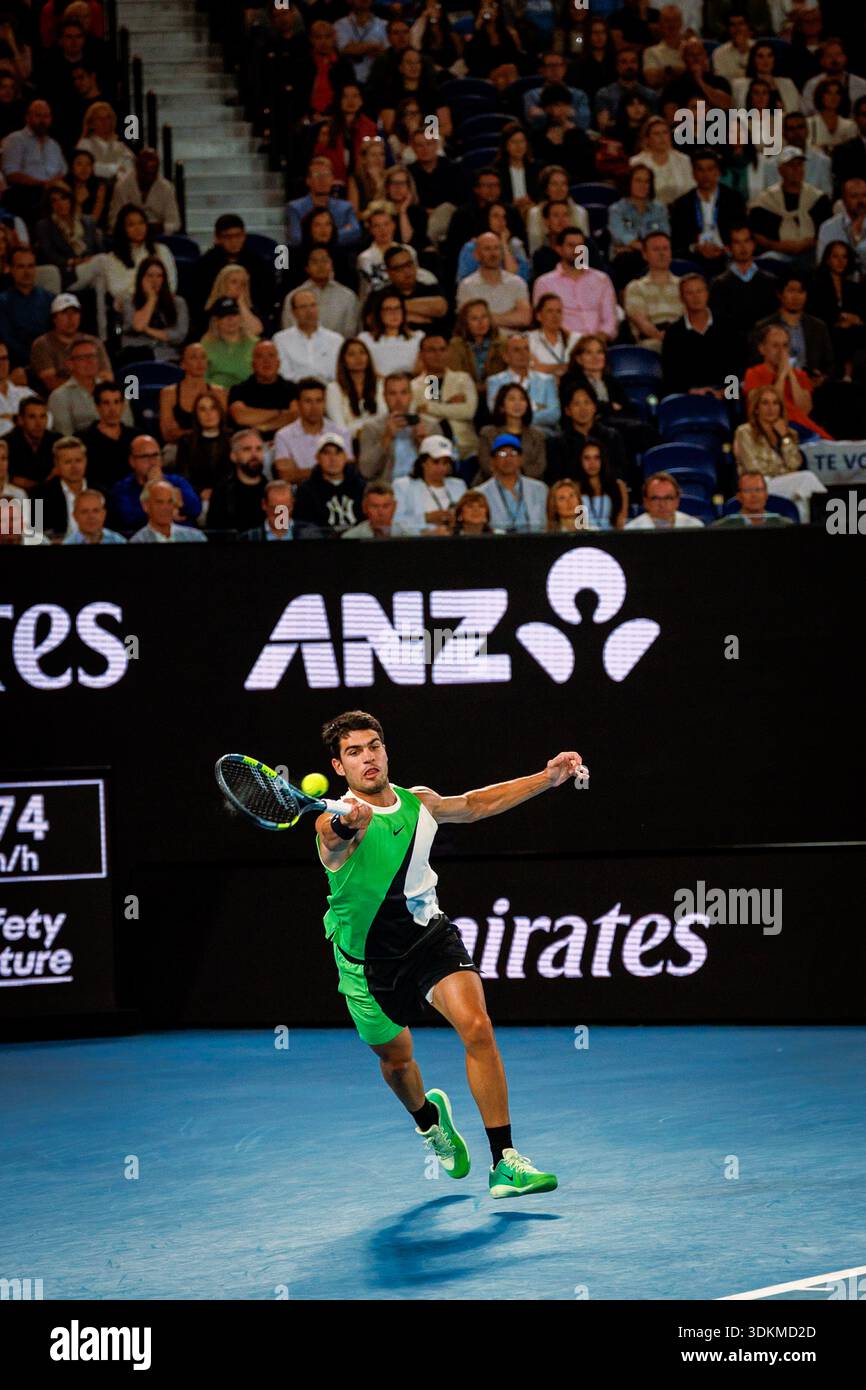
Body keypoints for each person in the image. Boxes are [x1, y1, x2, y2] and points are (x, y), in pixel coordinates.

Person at [313, 706, 579, 1193]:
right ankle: (429, 1120)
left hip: (428, 938)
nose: (368, 758)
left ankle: (505, 1160)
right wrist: (350, 823)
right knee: (396, 1060)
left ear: (385, 750)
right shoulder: (332, 821)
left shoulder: (420, 803)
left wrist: (547, 778)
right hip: (367, 964)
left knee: (477, 1026)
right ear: (339, 767)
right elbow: (334, 841)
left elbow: (476, 804)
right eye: (354, 752)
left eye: (374, 746)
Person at [190, 214, 277, 335]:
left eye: (238, 236)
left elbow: (266, 298)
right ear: (218, 238)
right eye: (228, 237)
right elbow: (198, 303)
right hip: (213, 318)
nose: (234, 241)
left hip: (251, 315)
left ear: (244, 236)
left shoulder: (257, 263)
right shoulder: (204, 266)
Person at [742, 323, 831, 437]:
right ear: (762, 349)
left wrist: (791, 374)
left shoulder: (800, 375)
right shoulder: (753, 374)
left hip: (804, 429)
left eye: (785, 346)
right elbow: (771, 411)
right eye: (775, 345)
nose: (781, 351)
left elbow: (805, 410)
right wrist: (782, 375)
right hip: (774, 431)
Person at [748, 146, 832, 266]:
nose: (796, 169)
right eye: (791, 165)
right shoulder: (766, 200)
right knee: (765, 261)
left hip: (811, 253)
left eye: (800, 165)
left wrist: (808, 244)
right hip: (777, 254)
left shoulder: (818, 198)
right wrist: (776, 246)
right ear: (780, 170)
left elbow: (826, 229)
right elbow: (756, 232)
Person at [531, 228, 618, 339]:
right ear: (559, 249)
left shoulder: (601, 279)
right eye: (571, 246)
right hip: (564, 344)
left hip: (599, 345)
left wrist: (598, 340)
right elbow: (546, 321)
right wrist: (575, 342)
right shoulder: (544, 283)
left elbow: (610, 319)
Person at [661, 274, 741, 395]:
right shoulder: (674, 333)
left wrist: (726, 392)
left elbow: (738, 365)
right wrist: (691, 391)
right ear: (682, 298)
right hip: (688, 396)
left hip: (726, 394)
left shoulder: (727, 326)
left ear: (707, 293)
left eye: (699, 291)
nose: (696, 297)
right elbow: (670, 374)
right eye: (689, 293)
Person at [107, 434, 201, 534]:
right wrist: (170, 511)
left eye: (156, 455)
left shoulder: (177, 481)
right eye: (145, 456)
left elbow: (195, 509)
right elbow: (129, 518)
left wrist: (163, 484)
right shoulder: (122, 488)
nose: (152, 462)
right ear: (132, 461)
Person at [670, 152, 746, 274]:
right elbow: (677, 241)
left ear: (718, 172)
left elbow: (742, 231)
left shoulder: (733, 199)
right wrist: (695, 248)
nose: (706, 175)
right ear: (693, 174)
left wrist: (728, 248)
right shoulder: (682, 204)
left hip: (726, 253)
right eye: (700, 170)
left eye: (710, 169)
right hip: (695, 255)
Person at [753, 273, 835, 383]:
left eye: (801, 292)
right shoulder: (763, 326)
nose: (796, 297)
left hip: (811, 387)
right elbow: (755, 362)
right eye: (791, 291)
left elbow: (830, 365)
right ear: (780, 294)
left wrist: (822, 378)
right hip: (773, 388)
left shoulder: (818, 327)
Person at [409, 333, 478, 461]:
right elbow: (421, 419)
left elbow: (468, 411)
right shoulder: (415, 385)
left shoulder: (462, 379)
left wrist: (428, 407)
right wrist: (450, 406)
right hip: (431, 452)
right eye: (432, 350)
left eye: (442, 349)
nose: (438, 354)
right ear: (421, 354)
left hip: (466, 449)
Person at [48, 335, 135, 435]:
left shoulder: (115, 392)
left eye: (92, 356)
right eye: (82, 358)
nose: (89, 362)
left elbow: (128, 427)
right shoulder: (59, 397)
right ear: (70, 364)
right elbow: (65, 436)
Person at [357, 371, 432, 483]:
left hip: (423, 487)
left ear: (411, 395)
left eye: (404, 393)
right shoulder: (371, 428)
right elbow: (366, 471)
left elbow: (447, 469)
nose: (398, 399)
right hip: (387, 491)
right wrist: (386, 438)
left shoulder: (430, 426)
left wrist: (424, 444)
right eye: (392, 393)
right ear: (384, 397)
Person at [1, 99, 67, 224]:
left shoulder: (54, 144)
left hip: (52, 194)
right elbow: (11, 173)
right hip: (25, 193)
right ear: (27, 117)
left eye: (46, 116)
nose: (42, 120)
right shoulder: (15, 139)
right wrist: (42, 183)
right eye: (38, 115)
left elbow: (63, 170)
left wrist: (53, 184)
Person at [30, 291, 110, 393]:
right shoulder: (42, 344)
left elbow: (107, 377)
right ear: (54, 318)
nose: (70, 318)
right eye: (64, 313)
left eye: (75, 313)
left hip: (96, 396)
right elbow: (51, 382)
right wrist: (86, 386)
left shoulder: (94, 342)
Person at [273, 377, 350, 484]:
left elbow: (348, 469)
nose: (314, 407)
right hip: (300, 494)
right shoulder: (283, 436)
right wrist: (330, 469)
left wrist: (301, 472)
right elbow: (286, 476)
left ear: (325, 403)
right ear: (298, 404)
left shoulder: (341, 432)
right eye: (308, 401)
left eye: (319, 401)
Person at [709, 223, 780, 337]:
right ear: (728, 248)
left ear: (753, 244)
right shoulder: (719, 285)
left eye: (746, 241)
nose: (743, 247)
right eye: (737, 242)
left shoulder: (771, 282)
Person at [607, 165, 671, 290]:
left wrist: (635, 246)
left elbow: (664, 235)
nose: (643, 185)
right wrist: (646, 248)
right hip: (626, 259)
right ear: (629, 183)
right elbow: (619, 236)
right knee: (627, 260)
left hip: (653, 254)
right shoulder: (617, 210)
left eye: (647, 181)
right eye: (638, 181)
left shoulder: (660, 209)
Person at [293, 432, 366, 537]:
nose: (333, 459)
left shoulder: (361, 486)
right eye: (326, 453)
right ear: (317, 457)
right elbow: (304, 526)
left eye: (338, 453)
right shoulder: (306, 490)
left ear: (345, 457)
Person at [119, 256, 189, 364]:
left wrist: (146, 329)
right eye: (150, 276)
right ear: (141, 278)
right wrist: (151, 299)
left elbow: (179, 335)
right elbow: (138, 326)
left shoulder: (178, 302)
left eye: (159, 276)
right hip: (136, 356)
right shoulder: (129, 302)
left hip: (168, 356)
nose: (154, 281)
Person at [486, 331, 559, 433]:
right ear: (506, 357)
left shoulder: (547, 380)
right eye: (517, 350)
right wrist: (535, 407)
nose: (523, 354)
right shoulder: (495, 382)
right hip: (509, 435)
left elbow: (554, 415)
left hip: (543, 436)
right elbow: (497, 413)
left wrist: (515, 416)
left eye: (526, 349)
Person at [33, 179, 101, 288]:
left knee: (103, 264)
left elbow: (99, 249)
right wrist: (74, 262)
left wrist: (91, 260)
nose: (60, 204)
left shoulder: (88, 221)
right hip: (67, 270)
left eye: (64, 199)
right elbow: (49, 255)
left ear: (70, 200)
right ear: (50, 205)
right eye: (54, 201)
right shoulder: (44, 226)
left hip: (92, 264)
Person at [159, 341, 228, 448]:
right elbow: (168, 435)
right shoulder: (169, 393)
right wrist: (206, 431)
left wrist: (184, 432)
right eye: (193, 358)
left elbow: (222, 429)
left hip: (214, 446)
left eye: (203, 357)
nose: (200, 362)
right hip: (180, 447)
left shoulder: (219, 392)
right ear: (183, 364)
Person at [392, 436, 466, 535]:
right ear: (423, 462)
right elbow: (394, 523)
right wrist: (426, 518)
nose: (442, 468)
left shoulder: (459, 485)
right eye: (436, 462)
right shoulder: (402, 486)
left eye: (445, 463)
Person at [227, 340, 298, 445]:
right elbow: (241, 417)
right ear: (253, 364)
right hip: (248, 445)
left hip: (285, 443)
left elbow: (294, 417)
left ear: (278, 363)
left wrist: (263, 427)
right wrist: (279, 413)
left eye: (271, 355)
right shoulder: (238, 390)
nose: (266, 361)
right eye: (260, 356)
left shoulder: (293, 389)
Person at [281, 246, 360, 338]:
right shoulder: (293, 296)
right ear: (307, 268)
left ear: (331, 265)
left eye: (324, 261)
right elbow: (288, 330)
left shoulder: (348, 296)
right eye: (315, 262)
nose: (320, 265)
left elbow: (351, 331)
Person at [623, 231, 683, 350]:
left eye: (665, 249)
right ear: (645, 254)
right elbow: (641, 322)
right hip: (652, 341)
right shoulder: (635, 287)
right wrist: (664, 338)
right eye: (656, 249)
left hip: (683, 338)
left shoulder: (683, 285)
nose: (662, 253)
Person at [287, 156, 362, 250]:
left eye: (326, 175)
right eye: (317, 175)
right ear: (308, 181)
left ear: (332, 179)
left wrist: (318, 236)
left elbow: (355, 232)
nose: (322, 179)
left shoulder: (345, 207)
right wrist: (340, 232)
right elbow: (296, 238)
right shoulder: (295, 208)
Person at [476, 432, 548, 531]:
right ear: (493, 460)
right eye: (502, 454)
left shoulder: (539, 489)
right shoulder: (481, 493)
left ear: (521, 459)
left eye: (513, 453)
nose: (508, 459)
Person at [203, 428, 269, 533]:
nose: (254, 455)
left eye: (259, 449)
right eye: (247, 449)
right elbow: (216, 534)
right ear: (233, 456)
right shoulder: (221, 492)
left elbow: (283, 530)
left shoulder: (276, 491)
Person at [78, 381, 138, 493]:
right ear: (97, 407)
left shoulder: (136, 437)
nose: (112, 409)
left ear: (123, 405)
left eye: (117, 402)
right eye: (106, 403)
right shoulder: (83, 439)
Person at [478, 382, 547, 480]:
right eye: (512, 399)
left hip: (529, 485)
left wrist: (517, 477)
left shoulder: (537, 435)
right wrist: (508, 475)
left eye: (522, 399)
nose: (517, 403)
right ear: (501, 406)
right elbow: (486, 466)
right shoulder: (488, 434)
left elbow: (539, 467)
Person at [0, 245, 54, 369]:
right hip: (19, 364)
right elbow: (8, 340)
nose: (27, 272)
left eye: (30, 266)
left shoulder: (49, 298)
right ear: (11, 269)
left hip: (50, 360)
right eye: (21, 266)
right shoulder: (2, 302)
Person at [174, 393, 234, 503]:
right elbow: (183, 475)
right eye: (202, 409)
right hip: (197, 497)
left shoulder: (232, 438)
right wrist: (200, 491)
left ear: (220, 412)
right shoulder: (186, 441)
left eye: (213, 408)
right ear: (196, 415)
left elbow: (234, 473)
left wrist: (217, 492)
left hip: (228, 496)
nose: (208, 413)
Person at [273, 288, 343, 381]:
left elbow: (337, 373)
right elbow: (284, 373)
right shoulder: (280, 339)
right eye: (303, 307)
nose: (309, 311)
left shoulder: (336, 340)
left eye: (313, 305)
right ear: (293, 312)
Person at [108, 147, 181, 237]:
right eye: (145, 173)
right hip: (128, 237)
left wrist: (159, 227)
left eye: (153, 173)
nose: (149, 178)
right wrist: (134, 228)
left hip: (159, 236)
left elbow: (175, 223)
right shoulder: (122, 186)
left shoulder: (166, 188)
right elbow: (114, 222)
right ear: (137, 168)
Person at [326, 337, 385, 441]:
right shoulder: (334, 389)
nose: (358, 358)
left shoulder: (380, 384)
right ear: (343, 360)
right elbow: (339, 426)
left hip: (379, 439)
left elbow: (384, 416)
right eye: (351, 354)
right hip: (349, 441)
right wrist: (359, 432)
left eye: (362, 353)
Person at [630, 115, 696, 206]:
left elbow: (691, 190)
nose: (662, 137)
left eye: (665, 133)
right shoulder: (637, 162)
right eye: (656, 134)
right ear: (647, 139)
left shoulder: (683, 160)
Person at [31, 434, 89, 539]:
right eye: (68, 462)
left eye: (78, 460)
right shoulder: (38, 495)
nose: (74, 467)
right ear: (56, 464)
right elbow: (36, 536)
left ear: (85, 461)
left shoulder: (101, 492)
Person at [359, 290, 424, 376]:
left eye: (397, 308)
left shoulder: (419, 337)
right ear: (379, 314)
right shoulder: (365, 339)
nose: (394, 313)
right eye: (388, 309)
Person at [447, 299, 508, 389]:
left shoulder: (502, 343)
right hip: (466, 394)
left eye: (484, 317)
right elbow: (455, 379)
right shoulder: (456, 345)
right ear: (465, 322)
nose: (481, 322)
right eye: (474, 318)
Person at [571, 438, 629, 530]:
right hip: (583, 536)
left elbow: (621, 520)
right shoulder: (574, 487)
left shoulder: (618, 486)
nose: (592, 463)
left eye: (597, 457)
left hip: (612, 536)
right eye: (587, 458)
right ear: (580, 460)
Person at [201, 297, 258, 390]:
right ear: (216, 321)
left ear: (240, 317)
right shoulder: (206, 345)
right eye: (224, 316)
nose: (230, 319)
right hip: (215, 396)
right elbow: (201, 378)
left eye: (234, 314)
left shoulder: (255, 344)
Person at [129, 478, 208, 543]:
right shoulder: (137, 542)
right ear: (146, 506)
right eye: (159, 502)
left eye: (170, 502)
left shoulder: (195, 538)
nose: (165, 508)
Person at [7, 397, 60, 492]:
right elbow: (11, 481)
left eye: (43, 416)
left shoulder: (58, 441)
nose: (38, 423)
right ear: (20, 420)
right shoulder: (7, 444)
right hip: (18, 499)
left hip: (50, 498)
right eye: (32, 417)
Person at [815, 176, 866, 276]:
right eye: (854, 196)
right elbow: (823, 264)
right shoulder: (828, 228)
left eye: (864, 195)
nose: (861, 201)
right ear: (843, 200)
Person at [711, 468, 795, 527]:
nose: (754, 495)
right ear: (739, 496)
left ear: (766, 494)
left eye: (758, 490)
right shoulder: (722, 527)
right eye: (747, 490)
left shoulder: (785, 525)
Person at [76, 101, 134, 182]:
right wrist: (115, 168)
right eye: (100, 118)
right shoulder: (85, 144)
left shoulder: (120, 146)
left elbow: (130, 168)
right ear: (91, 123)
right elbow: (91, 168)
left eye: (108, 118)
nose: (104, 122)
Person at [625, 470, 704, 529]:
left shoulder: (695, 527)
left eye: (668, 498)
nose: (662, 504)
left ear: (677, 500)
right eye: (655, 498)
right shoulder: (631, 529)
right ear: (646, 502)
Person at [340, 481, 414, 538]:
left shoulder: (408, 537)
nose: (381, 513)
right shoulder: (350, 538)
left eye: (386, 506)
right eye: (374, 506)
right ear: (364, 508)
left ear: (394, 507)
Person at [62, 487, 127, 543]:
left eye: (96, 511)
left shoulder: (118, 541)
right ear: (75, 516)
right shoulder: (67, 544)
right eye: (84, 512)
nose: (91, 516)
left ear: (104, 514)